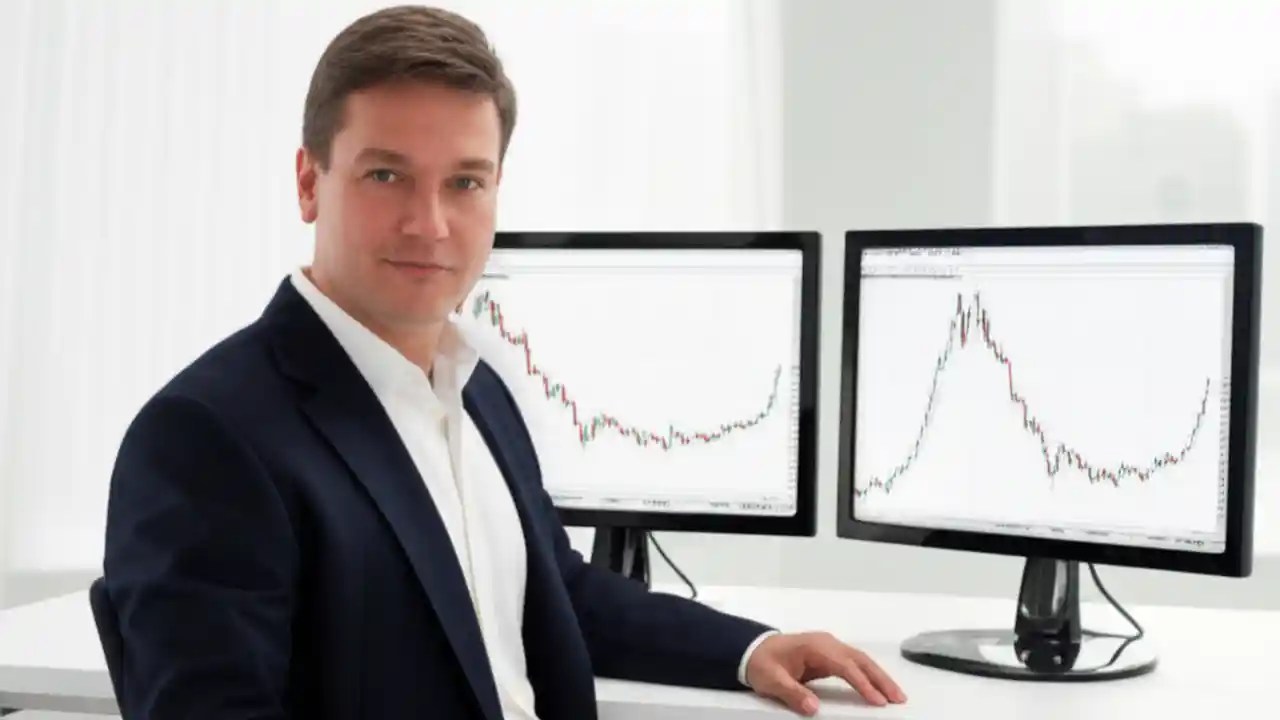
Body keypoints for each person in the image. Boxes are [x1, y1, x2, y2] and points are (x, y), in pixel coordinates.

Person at [102, 5, 906, 719]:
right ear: (310, 182)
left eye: (465, 182)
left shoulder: (477, 389)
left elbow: (553, 592)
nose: (431, 223)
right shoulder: (207, 437)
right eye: (387, 175)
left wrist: (748, 648)